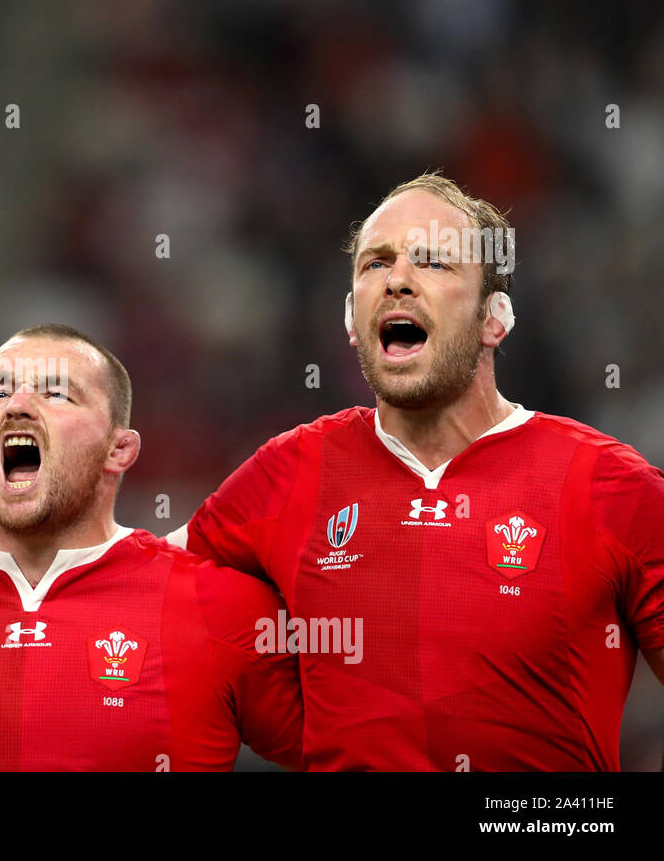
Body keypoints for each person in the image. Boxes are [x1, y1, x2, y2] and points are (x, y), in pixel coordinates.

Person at [163, 173, 664, 771]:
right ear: (353, 320)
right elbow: (136, 592)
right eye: (376, 264)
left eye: (434, 262)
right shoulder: (291, 469)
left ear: (493, 319)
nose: (397, 279)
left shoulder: (606, 484)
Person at [0, 325, 302, 771]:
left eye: (56, 393)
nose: (17, 404)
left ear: (118, 450)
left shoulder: (220, 609)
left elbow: (360, 743)